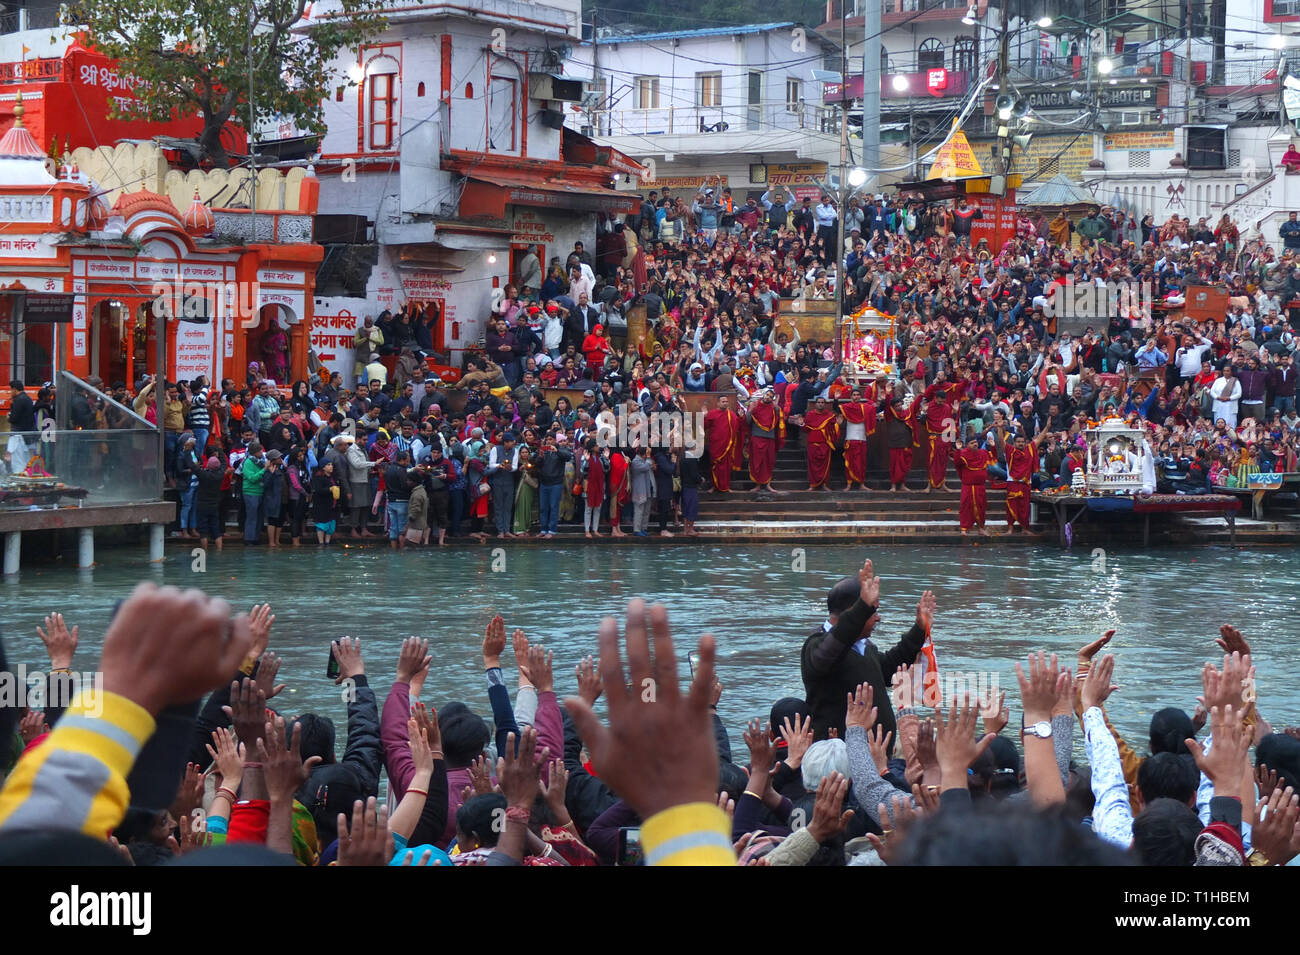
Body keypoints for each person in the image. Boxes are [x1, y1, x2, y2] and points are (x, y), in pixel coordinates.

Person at [800, 558, 933, 743]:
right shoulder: (816, 646)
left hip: (877, 758)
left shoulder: (865, 647)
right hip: (840, 762)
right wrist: (862, 608)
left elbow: (888, 670)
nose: (878, 618)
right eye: (873, 611)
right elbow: (831, 650)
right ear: (853, 612)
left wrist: (918, 630)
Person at [952, 437, 995, 537]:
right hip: (968, 487)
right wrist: (958, 450)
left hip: (980, 487)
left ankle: (981, 528)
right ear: (967, 445)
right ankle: (964, 529)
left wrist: (993, 447)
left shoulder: (983, 453)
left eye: (975, 442)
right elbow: (957, 463)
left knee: (981, 508)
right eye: (972, 443)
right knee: (965, 507)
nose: (975, 444)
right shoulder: (963, 454)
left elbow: (993, 458)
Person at [747, 390, 785, 495]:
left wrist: (777, 409)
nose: (768, 397)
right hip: (757, 437)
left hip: (770, 438)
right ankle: (758, 485)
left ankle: (768, 484)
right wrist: (750, 411)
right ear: (763, 395)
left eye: (771, 396)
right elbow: (747, 422)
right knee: (757, 462)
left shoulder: (774, 408)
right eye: (767, 395)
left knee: (769, 462)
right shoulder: (755, 406)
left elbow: (780, 422)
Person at [839, 386, 877, 492]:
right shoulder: (846, 407)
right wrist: (836, 399)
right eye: (854, 395)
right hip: (850, 439)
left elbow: (876, 408)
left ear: (861, 396)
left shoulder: (866, 408)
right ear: (851, 397)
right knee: (849, 463)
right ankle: (849, 485)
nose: (856, 397)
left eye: (858, 395)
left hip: (862, 439)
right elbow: (837, 408)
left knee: (861, 463)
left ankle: (861, 484)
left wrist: (882, 401)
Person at [802, 395, 838, 492]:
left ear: (825, 404)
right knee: (812, 466)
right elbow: (805, 430)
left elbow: (834, 427)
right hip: (812, 444)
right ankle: (813, 485)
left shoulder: (829, 415)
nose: (821, 404)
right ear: (815, 404)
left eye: (822, 402)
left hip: (824, 444)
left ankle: (824, 485)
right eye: (819, 402)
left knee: (825, 465)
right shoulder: (810, 415)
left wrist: (837, 424)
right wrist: (801, 423)